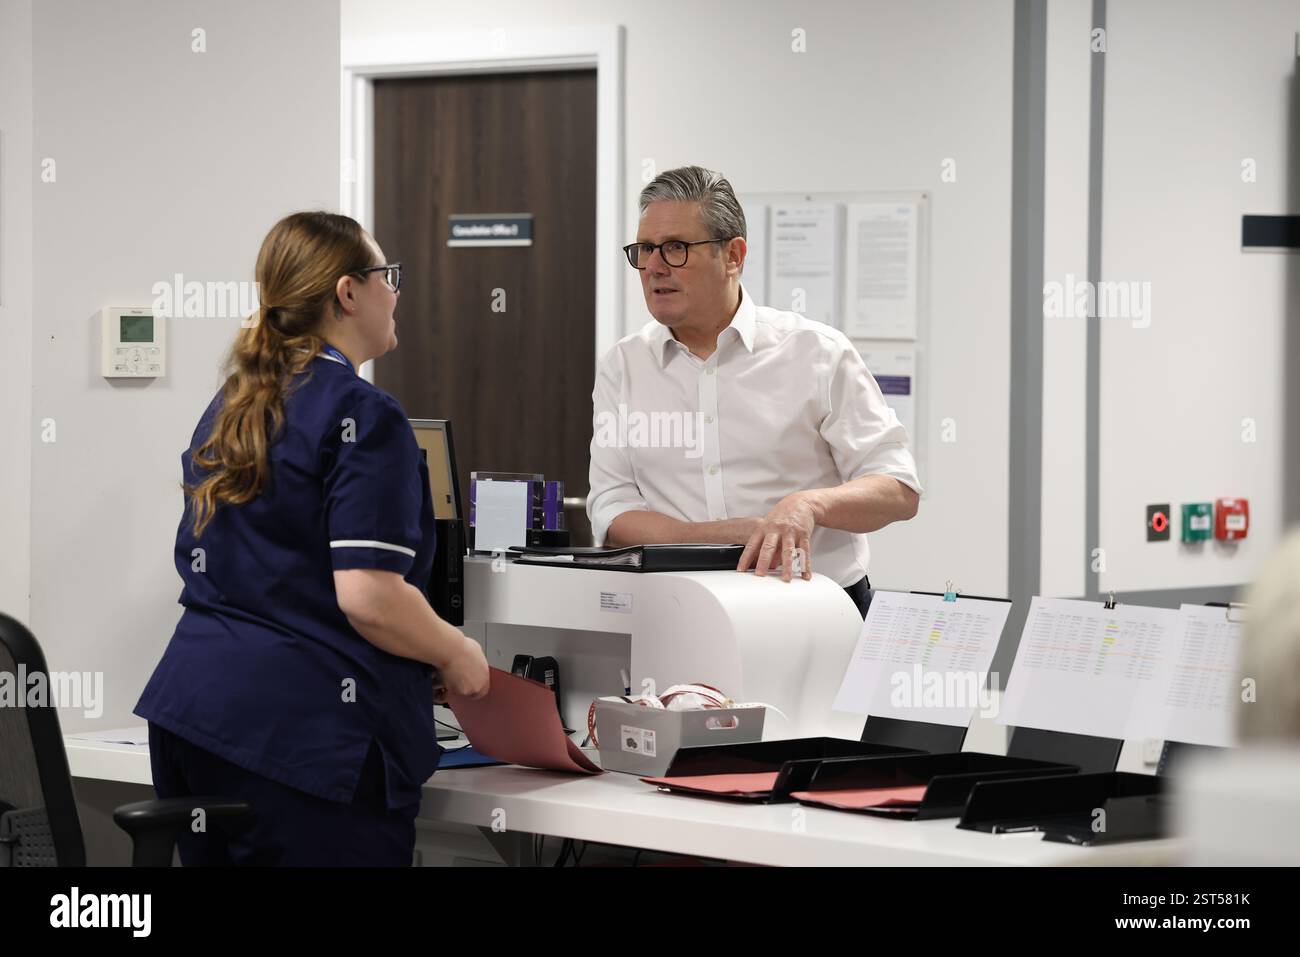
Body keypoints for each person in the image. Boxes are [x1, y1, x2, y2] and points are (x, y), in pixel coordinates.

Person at [134, 211, 489, 866]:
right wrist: (454, 651)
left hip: (194, 718)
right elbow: (367, 594)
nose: (397, 291)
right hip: (302, 742)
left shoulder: (236, 402)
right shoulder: (364, 413)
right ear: (348, 293)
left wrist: (409, 661)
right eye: (389, 276)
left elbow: (267, 574)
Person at [587, 166, 921, 617]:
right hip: (681, 610)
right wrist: (721, 536)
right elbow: (612, 511)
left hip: (818, 608)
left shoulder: (816, 352)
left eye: (675, 248)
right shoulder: (624, 366)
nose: (653, 267)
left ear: (733, 255)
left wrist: (809, 504)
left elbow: (898, 489)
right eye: (645, 249)